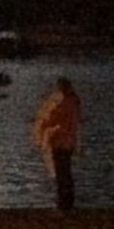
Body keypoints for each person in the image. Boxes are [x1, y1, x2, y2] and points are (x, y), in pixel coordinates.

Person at [33, 78, 81, 211]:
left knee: (62, 175)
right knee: (66, 174)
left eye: (59, 87)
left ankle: (63, 205)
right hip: (67, 142)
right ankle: (67, 204)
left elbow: (56, 119)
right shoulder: (74, 102)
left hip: (61, 143)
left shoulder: (66, 103)